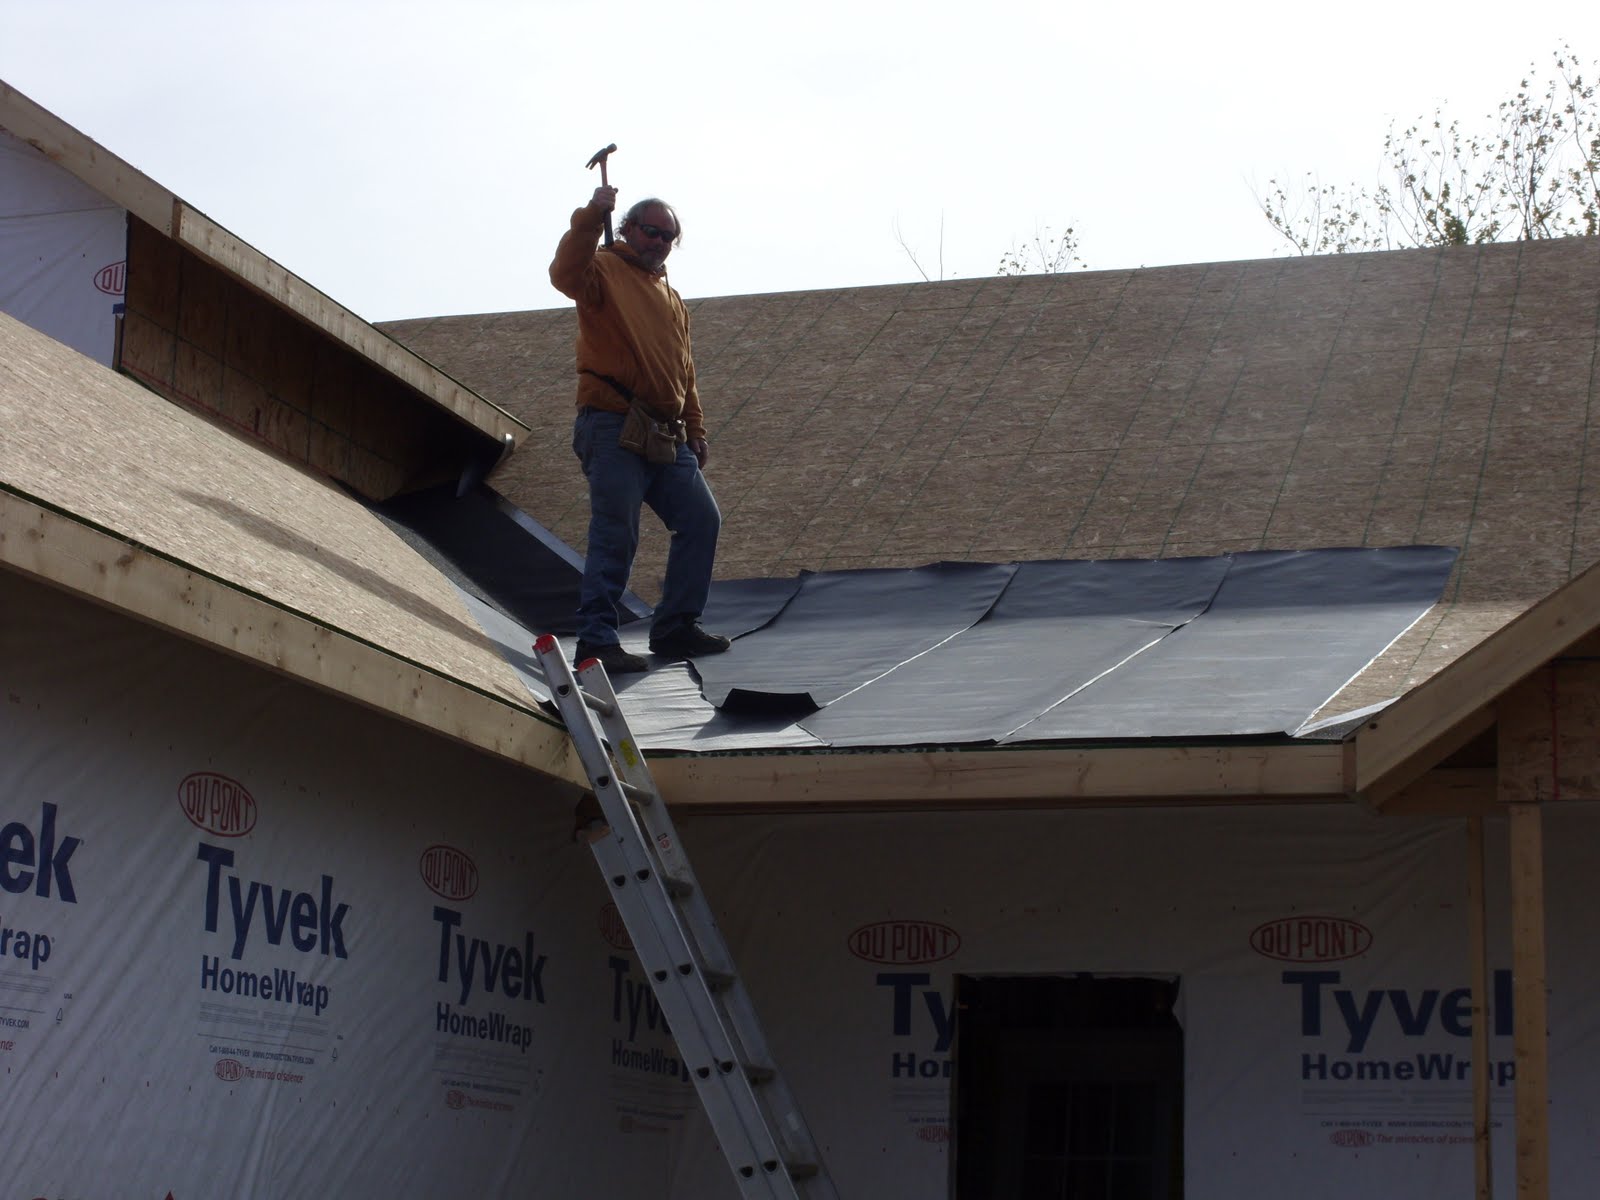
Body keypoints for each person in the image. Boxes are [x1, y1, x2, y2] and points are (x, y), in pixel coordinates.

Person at [549, 187, 730, 674]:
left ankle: (675, 626)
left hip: (666, 432)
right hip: (612, 422)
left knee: (701, 519)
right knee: (616, 533)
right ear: (627, 228)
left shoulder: (671, 298)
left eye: (669, 237)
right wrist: (592, 215)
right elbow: (564, 273)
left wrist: (695, 427)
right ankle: (596, 642)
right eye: (651, 231)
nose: (659, 242)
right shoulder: (601, 269)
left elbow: (683, 371)